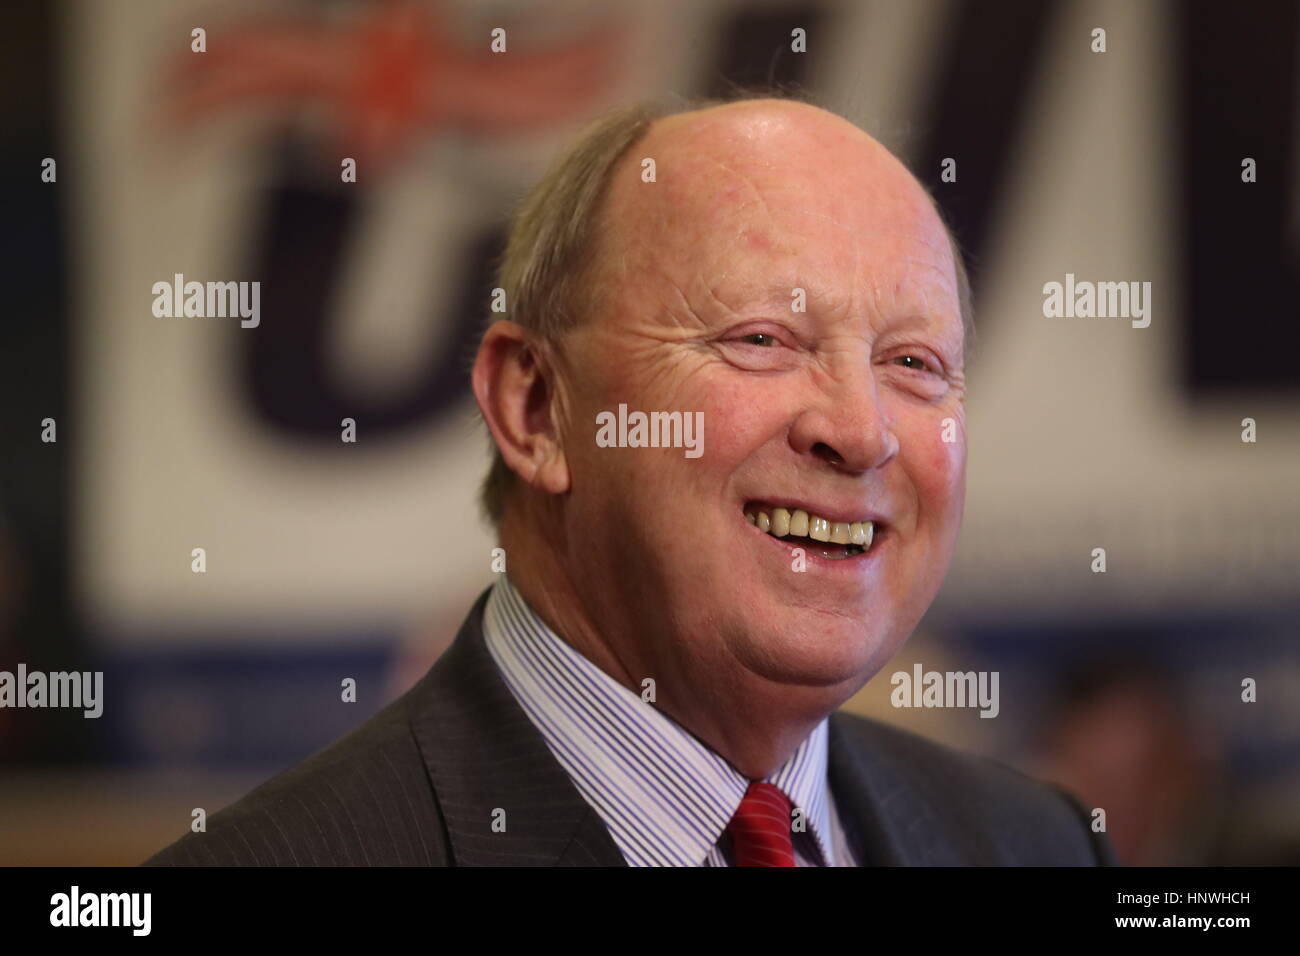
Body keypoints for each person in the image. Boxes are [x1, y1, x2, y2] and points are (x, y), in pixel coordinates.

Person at [146, 94, 1115, 867]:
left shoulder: (1041, 843)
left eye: (914, 364)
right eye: (761, 340)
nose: (859, 431)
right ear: (534, 408)